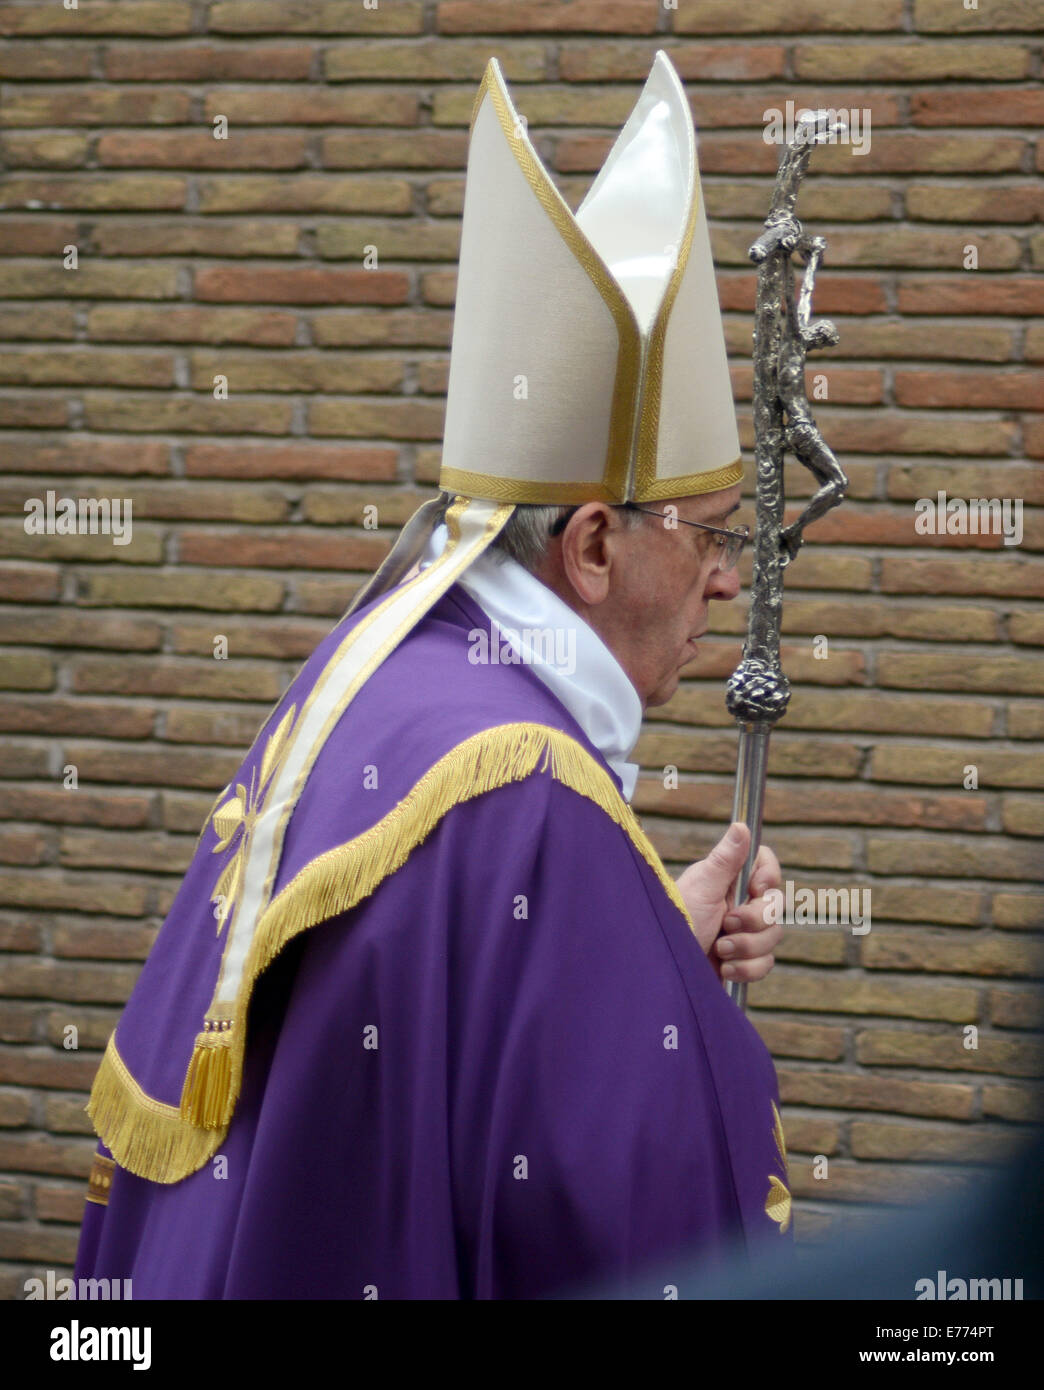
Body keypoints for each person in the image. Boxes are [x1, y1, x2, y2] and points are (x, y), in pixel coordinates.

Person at [74, 51, 790, 1300]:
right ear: (593, 544)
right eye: (714, 534)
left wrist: (645, 948)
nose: (729, 581)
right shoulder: (531, 798)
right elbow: (612, 1209)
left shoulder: (388, 677)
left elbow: (451, 1046)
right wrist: (696, 1016)